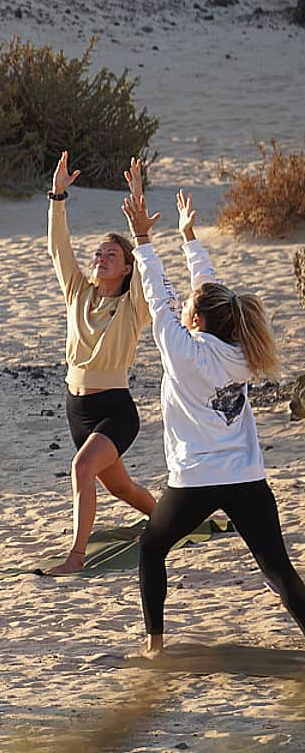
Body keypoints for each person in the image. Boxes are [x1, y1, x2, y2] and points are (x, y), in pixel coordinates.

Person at [123, 188, 305, 657]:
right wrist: (188, 240)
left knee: (151, 550)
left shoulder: (184, 353)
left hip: (196, 480)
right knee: (278, 570)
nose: (184, 308)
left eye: (191, 309)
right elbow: (210, 293)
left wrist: (142, 238)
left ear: (197, 320)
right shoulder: (243, 350)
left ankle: (154, 646)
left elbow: (158, 294)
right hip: (247, 478)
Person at [44, 152, 157, 575]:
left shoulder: (134, 306)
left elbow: (149, 273)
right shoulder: (79, 293)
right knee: (120, 486)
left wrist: (139, 228)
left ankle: (77, 557)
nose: (101, 256)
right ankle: (165, 517)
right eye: (99, 252)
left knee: (82, 468)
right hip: (77, 409)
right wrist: (57, 195)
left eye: (112, 253)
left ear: (127, 268)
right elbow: (59, 248)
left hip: (115, 409)